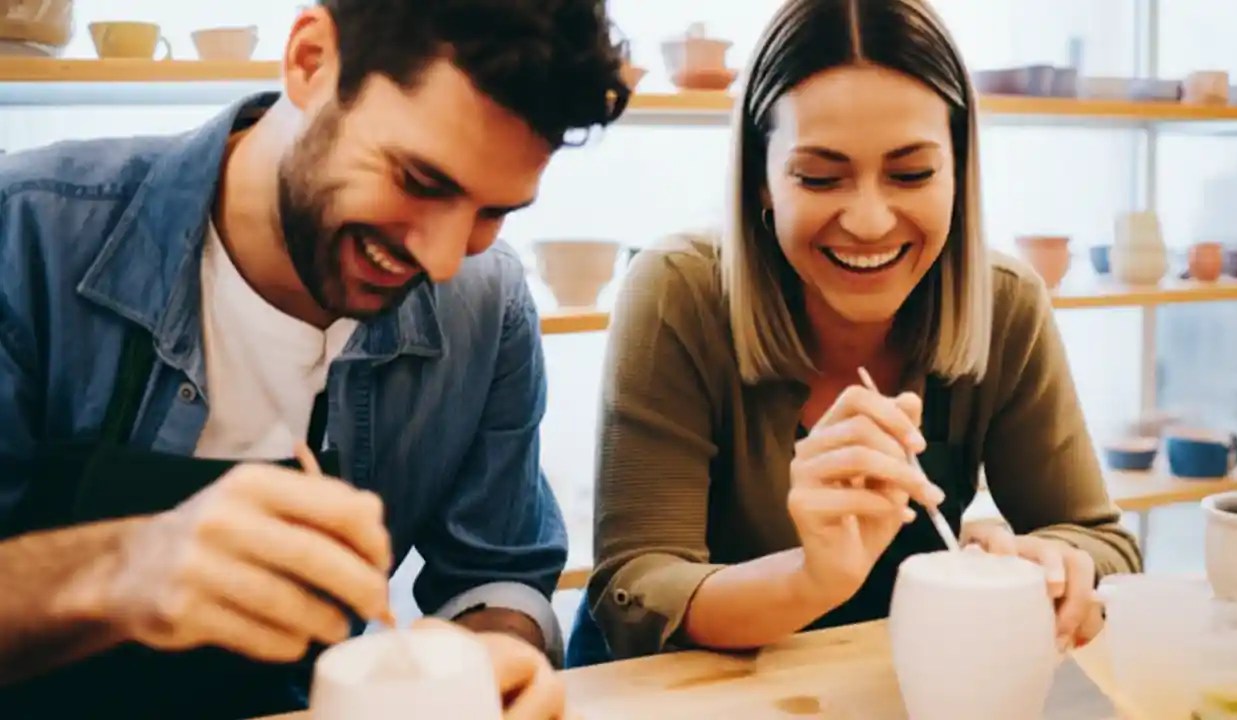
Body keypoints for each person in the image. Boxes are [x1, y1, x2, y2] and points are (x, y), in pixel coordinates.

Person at [0, 0, 628, 717]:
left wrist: (493, 650)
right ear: (311, 61)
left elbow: (495, 572)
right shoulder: (25, 236)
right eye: (421, 182)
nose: (446, 258)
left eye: (495, 212)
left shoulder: (487, 306)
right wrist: (122, 566)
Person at [566, 0, 1142, 668]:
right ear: (761, 180)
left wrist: (1057, 565)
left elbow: (1105, 544)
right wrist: (810, 578)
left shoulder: (1004, 304)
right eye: (819, 176)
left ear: (960, 170)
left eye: (912, 174)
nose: (869, 221)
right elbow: (634, 590)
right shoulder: (679, 292)